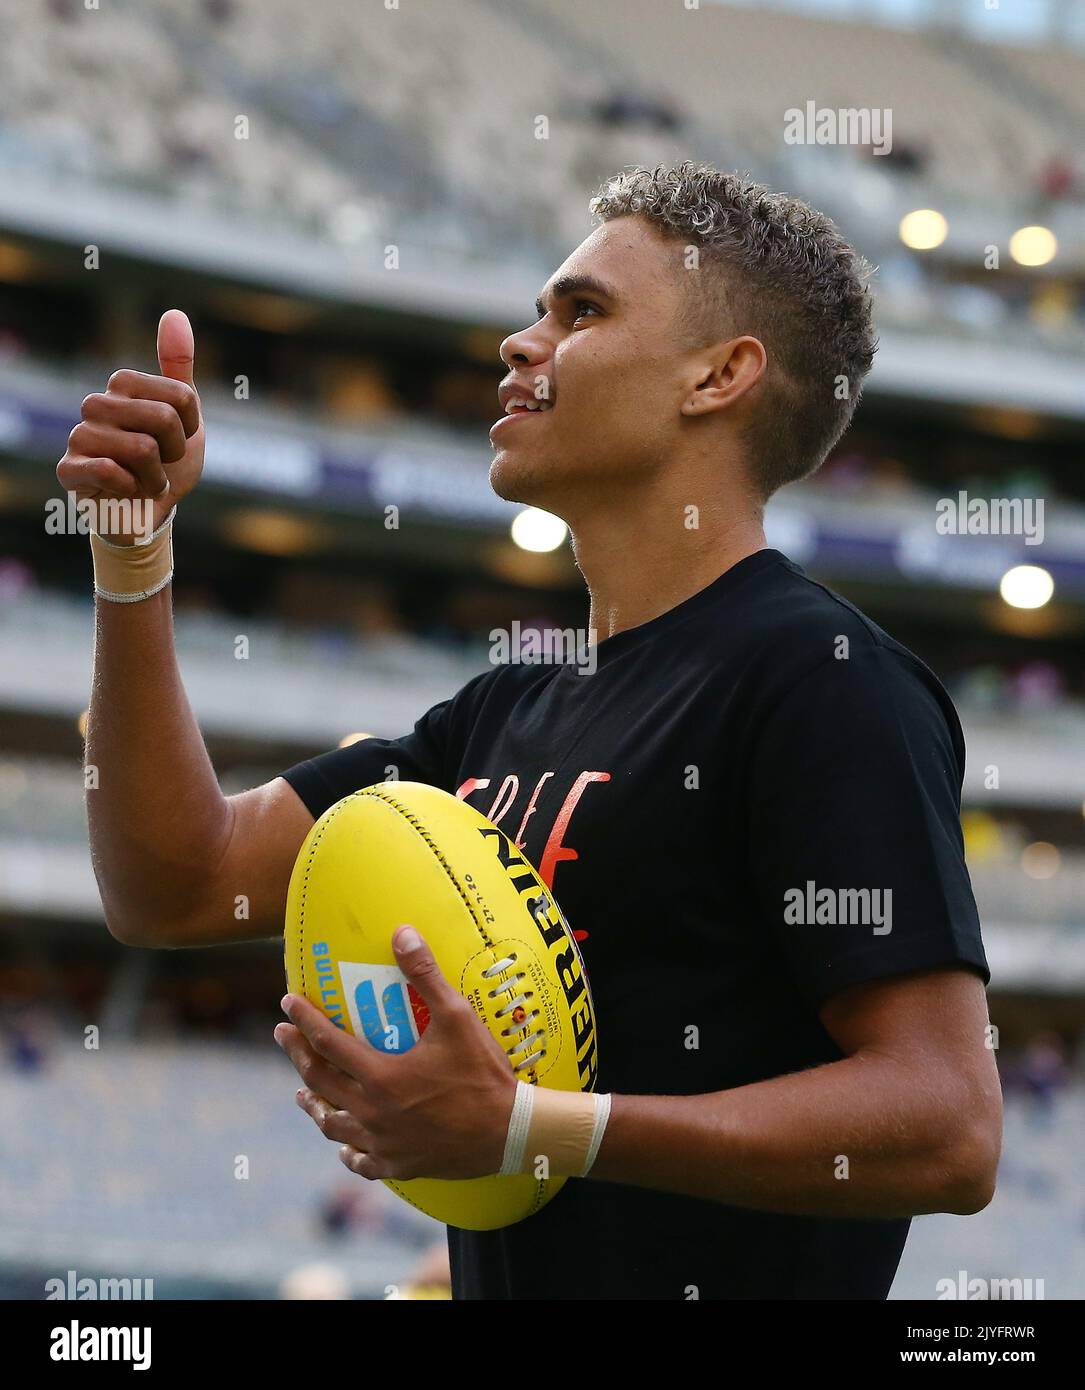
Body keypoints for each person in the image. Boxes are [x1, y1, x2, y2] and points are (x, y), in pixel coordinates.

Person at [58, 160, 1002, 1300]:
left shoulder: (822, 681)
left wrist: (536, 1128)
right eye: (538, 307)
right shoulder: (504, 707)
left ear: (718, 375)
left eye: (581, 311)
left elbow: (947, 1126)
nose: (519, 342)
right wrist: (132, 559)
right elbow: (177, 882)